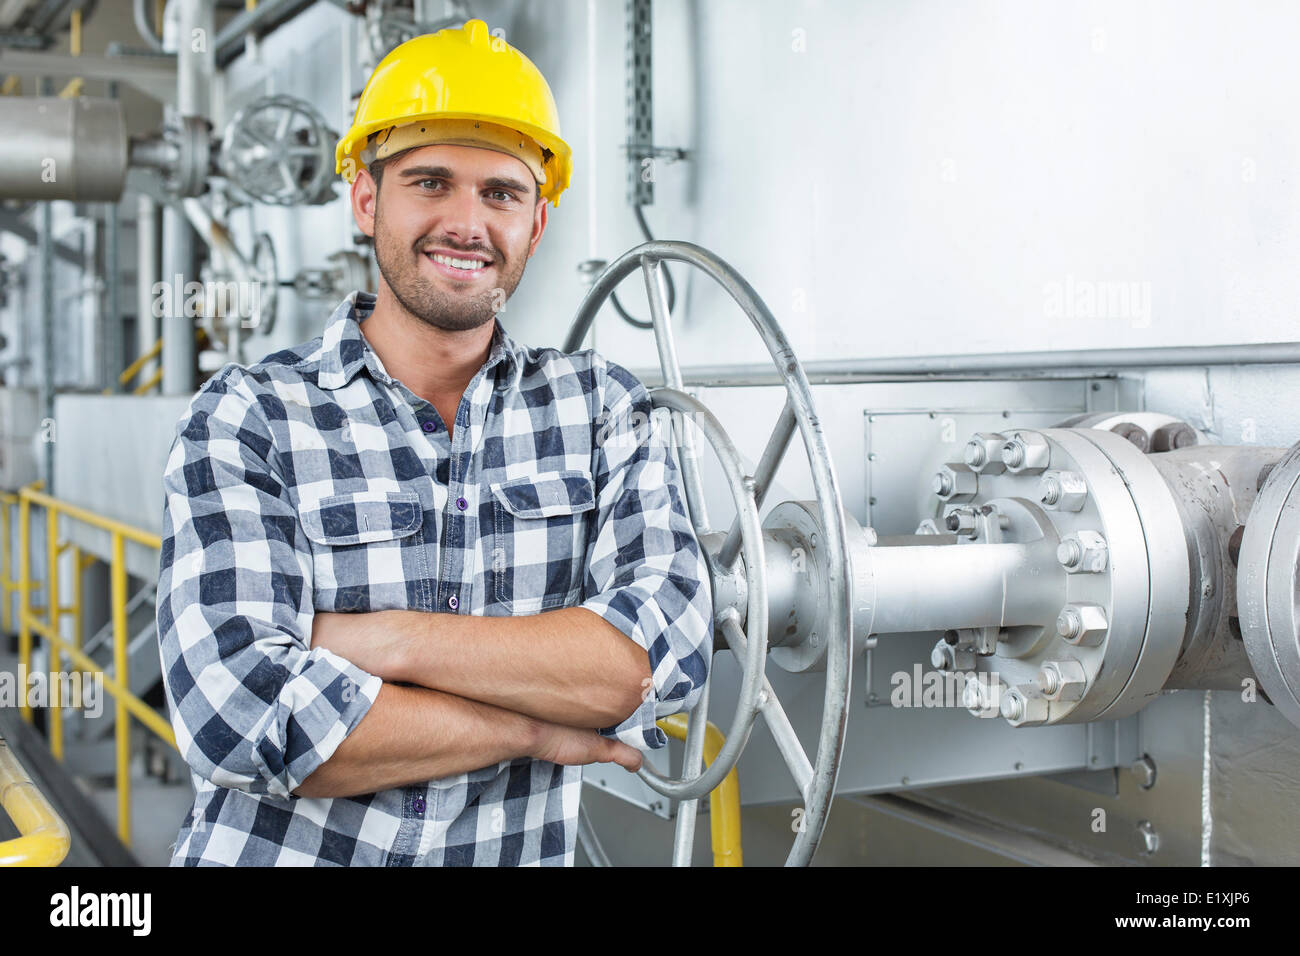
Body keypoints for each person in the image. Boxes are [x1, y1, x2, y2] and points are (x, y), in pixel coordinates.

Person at [156, 19, 712, 866]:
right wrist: (533, 724)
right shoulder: (251, 416)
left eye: (501, 193)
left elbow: (650, 668)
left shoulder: (601, 411)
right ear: (366, 198)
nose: (466, 223)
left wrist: (385, 639)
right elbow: (236, 715)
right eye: (430, 182)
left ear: (539, 219)